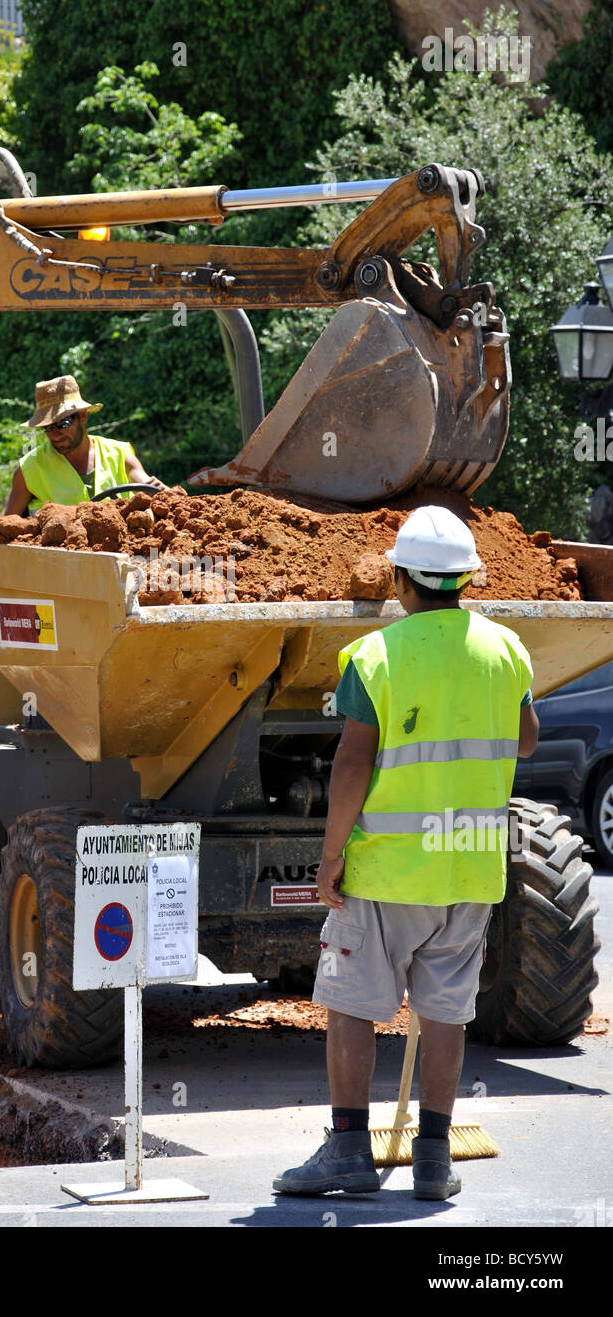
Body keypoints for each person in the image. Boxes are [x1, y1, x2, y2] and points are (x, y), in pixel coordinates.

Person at [273, 504, 539, 1201]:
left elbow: (352, 764)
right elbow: (525, 740)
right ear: (466, 580)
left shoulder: (373, 656)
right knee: (445, 1012)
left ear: (399, 580)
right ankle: (431, 1160)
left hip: (388, 870)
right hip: (470, 864)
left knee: (353, 1003)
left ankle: (347, 1153)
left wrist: (331, 855)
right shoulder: (506, 649)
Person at [4, 375, 165, 515]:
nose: (55, 434)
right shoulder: (30, 468)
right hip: (62, 550)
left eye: (63, 423)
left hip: (122, 548)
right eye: (47, 427)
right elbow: (4, 529)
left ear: (82, 416)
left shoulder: (119, 453)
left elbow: (148, 486)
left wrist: (162, 494)